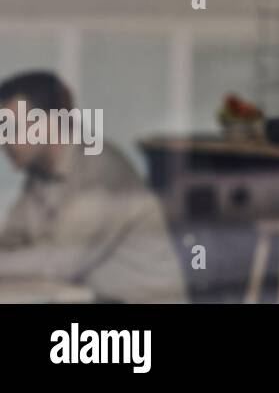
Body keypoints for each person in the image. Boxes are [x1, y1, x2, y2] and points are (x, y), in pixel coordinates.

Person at [0, 69, 188, 302]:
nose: (3, 141)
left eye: (12, 129)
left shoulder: (101, 171)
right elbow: (11, 243)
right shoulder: (39, 176)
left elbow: (59, 263)